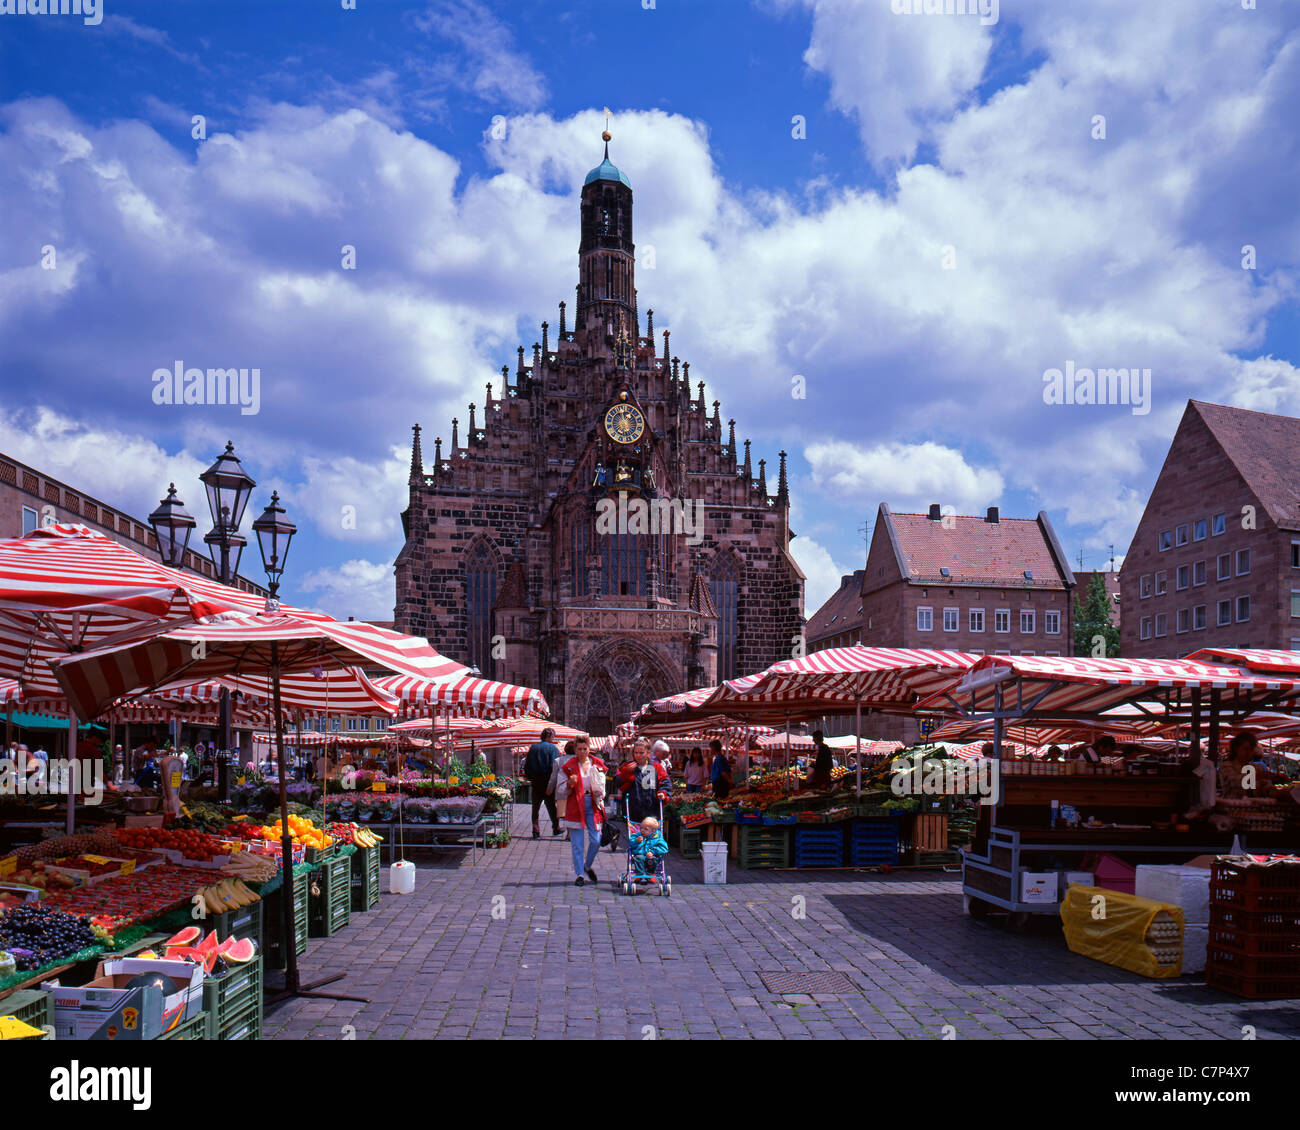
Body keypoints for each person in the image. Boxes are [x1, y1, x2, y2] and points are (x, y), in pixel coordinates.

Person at [555, 736, 606, 885]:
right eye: (579, 749)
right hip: (576, 805)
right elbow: (561, 789)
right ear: (575, 749)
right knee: (577, 844)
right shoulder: (568, 766)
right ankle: (580, 875)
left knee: (596, 840)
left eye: (585, 749)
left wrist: (600, 794)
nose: (582, 752)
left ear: (589, 749)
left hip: (593, 804)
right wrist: (570, 784)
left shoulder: (597, 764)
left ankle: (587, 865)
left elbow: (602, 786)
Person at [614, 739, 672, 823]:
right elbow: (618, 783)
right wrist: (626, 773)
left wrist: (663, 793)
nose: (638, 755)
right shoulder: (627, 766)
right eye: (636, 753)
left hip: (652, 813)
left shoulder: (656, 767)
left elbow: (666, 782)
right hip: (632, 813)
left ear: (648, 753)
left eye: (641, 753)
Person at [523, 727, 562, 839]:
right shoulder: (553, 748)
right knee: (552, 807)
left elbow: (527, 764)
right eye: (553, 736)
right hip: (548, 781)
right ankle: (556, 828)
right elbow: (554, 767)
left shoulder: (534, 747)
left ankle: (536, 830)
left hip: (536, 781)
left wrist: (530, 777)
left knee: (535, 807)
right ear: (549, 736)